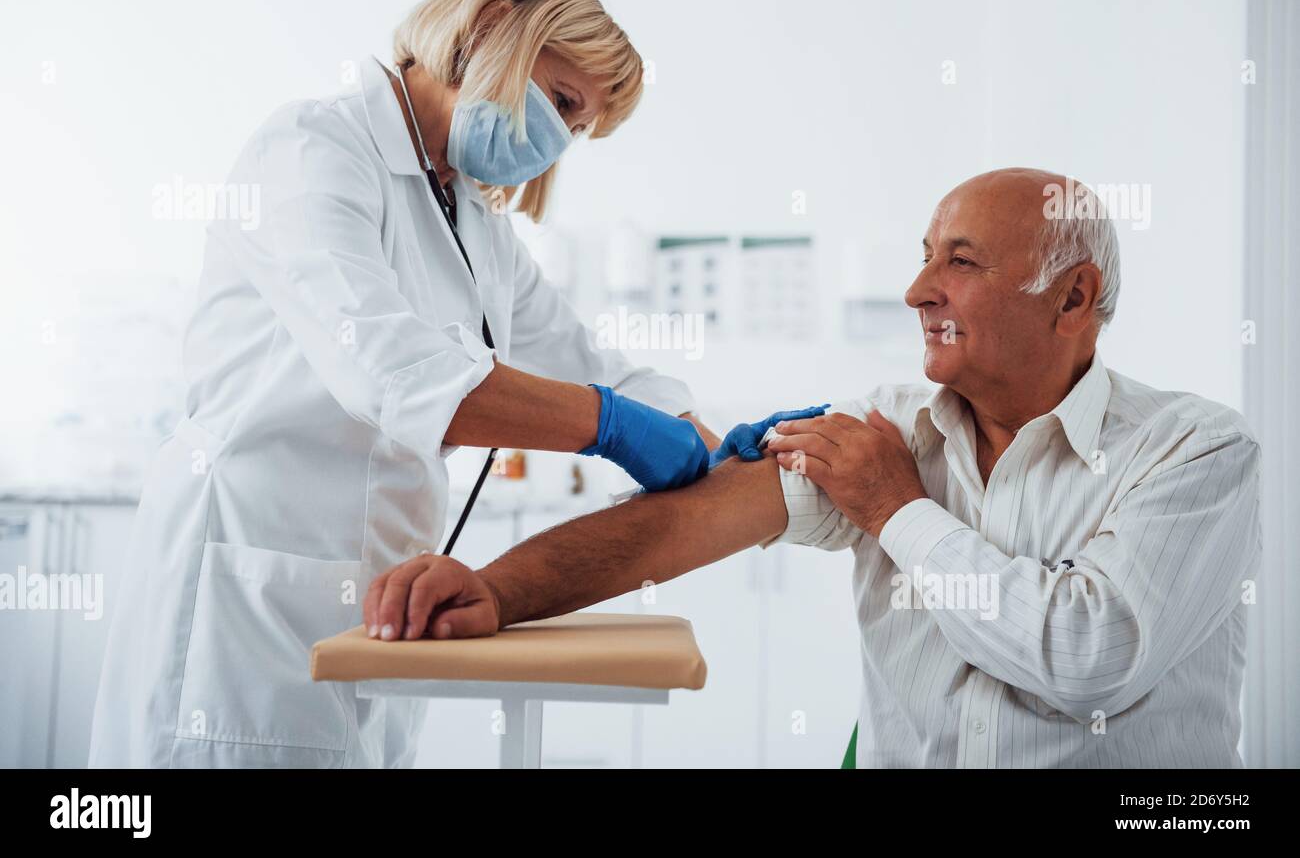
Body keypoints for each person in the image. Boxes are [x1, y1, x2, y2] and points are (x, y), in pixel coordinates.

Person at [89, 0, 818, 768]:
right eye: (564, 102)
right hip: (247, 587)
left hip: (380, 599)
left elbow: (588, 358)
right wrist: (610, 429)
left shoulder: (472, 220)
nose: (558, 143)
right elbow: (391, 371)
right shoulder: (311, 151)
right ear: (489, 24)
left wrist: (702, 444)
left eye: (577, 133)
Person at [368, 168, 1263, 768]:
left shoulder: (1196, 451)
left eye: (960, 262)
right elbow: (688, 522)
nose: (918, 290)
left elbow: (1090, 654)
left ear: (1074, 297)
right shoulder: (891, 425)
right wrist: (493, 589)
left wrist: (896, 510)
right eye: (923, 256)